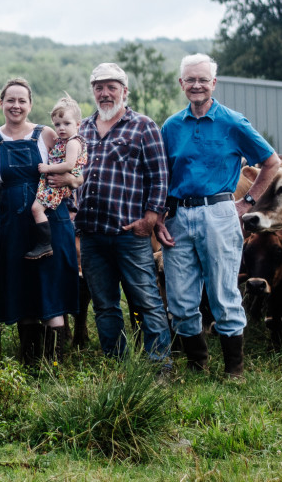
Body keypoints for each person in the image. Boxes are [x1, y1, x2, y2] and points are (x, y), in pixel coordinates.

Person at [155, 54, 280, 378]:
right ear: (182, 84)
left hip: (220, 211)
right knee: (180, 299)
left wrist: (247, 202)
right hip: (178, 214)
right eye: (190, 80)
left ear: (213, 83)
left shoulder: (232, 122)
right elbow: (163, 175)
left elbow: (271, 162)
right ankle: (197, 363)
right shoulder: (171, 126)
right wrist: (159, 216)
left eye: (203, 79)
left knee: (223, 293)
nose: (196, 85)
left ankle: (234, 370)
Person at [74, 62, 172, 367]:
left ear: (124, 91)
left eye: (111, 87)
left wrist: (151, 219)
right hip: (91, 232)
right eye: (99, 88)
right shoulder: (83, 129)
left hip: (130, 232)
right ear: (93, 91)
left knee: (146, 301)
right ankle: (116, 365)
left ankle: (159, 365)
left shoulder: (143, 126)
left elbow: (159, 176)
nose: (105, 93)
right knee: (104, 305)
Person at [0, 79, 82, 365]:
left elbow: (76, 170)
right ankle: (29, 357)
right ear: (2, 103)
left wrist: (71, 180)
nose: (16, 105)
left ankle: (54, 359)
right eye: (10, 100)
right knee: (21, 287)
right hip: (13, 225)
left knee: (51, 286)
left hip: (50, 222)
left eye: (22, 100)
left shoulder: (46, 135)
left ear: (30, 105)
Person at [26, 94, 86, 261]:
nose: (61, 128)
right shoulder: (62, 141)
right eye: (57, 124)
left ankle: (45, 244)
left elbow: (69, 165)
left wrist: (47, 168)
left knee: (36, 209)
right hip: (56, 183)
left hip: (59, 184)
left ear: (78, 125)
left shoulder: (73, 143)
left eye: (67, 123)